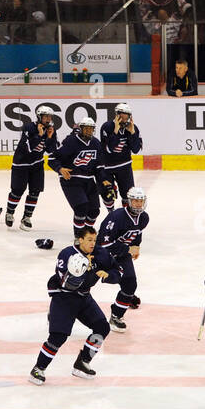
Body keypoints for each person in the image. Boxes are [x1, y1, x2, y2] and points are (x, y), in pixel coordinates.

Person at [28, 225, 123, 384]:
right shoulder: (67, 254)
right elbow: (65, 282)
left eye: (94, 239)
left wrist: (108, 275)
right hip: (64, 298)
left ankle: (82, 363)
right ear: (80, 240)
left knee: (102, 328)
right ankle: (38, 369)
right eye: (89, 240)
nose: (93, 243)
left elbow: (118, 271)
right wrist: (77, 273)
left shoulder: (100, 253)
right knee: (58, 337)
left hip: (84, 298)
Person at [97, 187, 148, 332]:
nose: (138, 204)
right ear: (128, 201)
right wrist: (127, 249)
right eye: (135, 201)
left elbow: (137, 233)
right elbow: (103, 243)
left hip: (121, 254)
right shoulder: (116, 217)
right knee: (84, 283)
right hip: (102, 255)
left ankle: (116, 315)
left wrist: (136, 245)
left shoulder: (144, 218)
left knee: (130, 284)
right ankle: (61, 308)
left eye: (140, 201)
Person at [48, 116, 104, 238]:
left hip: (89, 180)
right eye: (86, 129)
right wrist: (60, 169)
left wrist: (105, 182)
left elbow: (99, 167)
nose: (89, 131)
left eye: (91, 129)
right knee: (81, 208)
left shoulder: (96, 143)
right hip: (71, 180)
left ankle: (87, 234)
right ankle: (79, 237)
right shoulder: (71, 142)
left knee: (95, 211)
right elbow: (52, 159)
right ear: (81, 129)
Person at [2, 105, 55, 230]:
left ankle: (27, 217)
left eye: (49, 117)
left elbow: (51, 149)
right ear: (39, 117)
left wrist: (49, 138)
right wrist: (41, 136)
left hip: (37, 164)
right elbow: (29, 148)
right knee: (18, 190)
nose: (48, 119)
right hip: (21, 164)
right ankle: (10, 213)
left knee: (35, 191)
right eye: (45, 116)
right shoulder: (29, 127)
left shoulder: (51, 129)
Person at [98, 103, 142, 212]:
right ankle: (111, 214)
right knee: (107, 194)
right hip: (107, 167)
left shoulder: (133, 128)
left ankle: (125, 216)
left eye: (127, 116)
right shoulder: (107, 127)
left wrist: (132, 133)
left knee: (128, 196)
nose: (124, 118)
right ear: (117, 115)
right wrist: (116, 131)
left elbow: (136, 150)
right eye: (122, 115)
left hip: (125, 166)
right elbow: (109, 149)